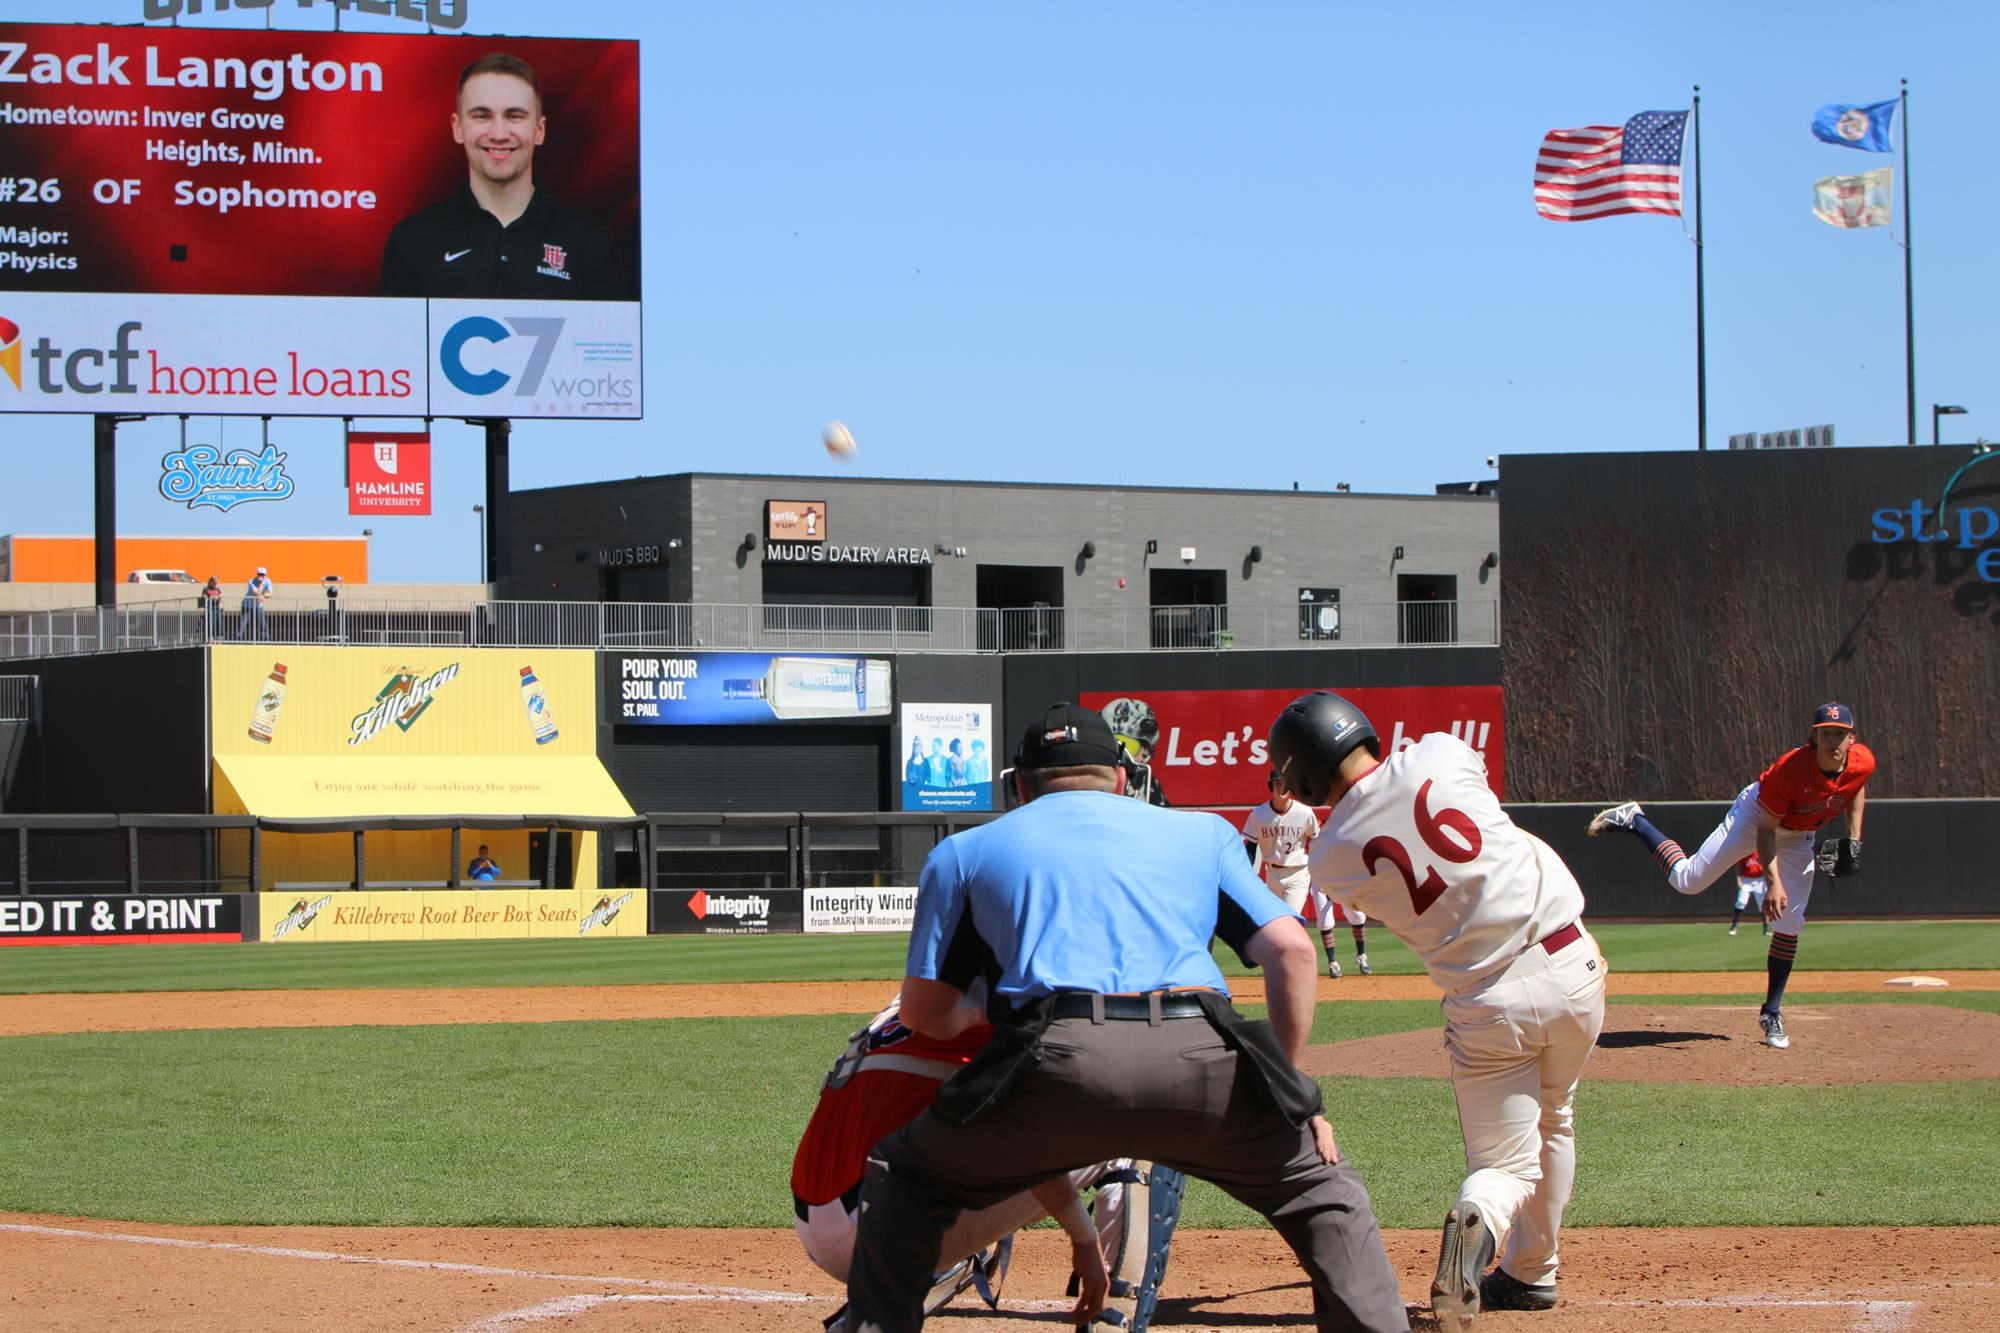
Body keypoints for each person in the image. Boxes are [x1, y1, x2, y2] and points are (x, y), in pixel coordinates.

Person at [843, 703, 1408, 1333]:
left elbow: (925, 1013)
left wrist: (984, 1005)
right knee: (1324, 1193)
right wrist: (1288, 1093)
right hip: (1205, 1057)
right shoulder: (1204, 833)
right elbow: (1294, 952)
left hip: (1051, 1064)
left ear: (1020, 785)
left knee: (905, 1178)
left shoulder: (962, 852)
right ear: (1120, 777)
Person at [1269, 690, 1607, 1330]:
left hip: (1486, 1001)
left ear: (1302, 775)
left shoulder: (1331, 858)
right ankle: (1533, 1272)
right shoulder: (1440, 753)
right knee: (1556, 1118)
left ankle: (1486, 1215)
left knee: (1502, 1166)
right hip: (1571, 962)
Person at [792, 988, 1170, 1329]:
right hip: (880, 1230)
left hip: (817, 1218)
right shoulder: (1007, 1005)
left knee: (975, 1132)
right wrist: (1083, 1238)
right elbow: (1030, 1141)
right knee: (1134, 1134)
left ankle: (884, 1308)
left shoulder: (915, 1000)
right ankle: (1110, 1317)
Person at [1588, 701, 1872, 1051]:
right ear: (1813, 738)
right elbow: (1766, 831)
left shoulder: (1862, 761)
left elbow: (1855, 787)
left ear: (1852, 738)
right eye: (1826, 733)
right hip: (1756, 817)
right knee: (1688, 881)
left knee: (1791, 921)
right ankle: (1636, 821)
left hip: (1800, 834)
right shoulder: (1791, 771)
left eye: (1840, 734)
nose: (1833, 740)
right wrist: (1773, 883)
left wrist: (1854, 840)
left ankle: (1771, 1012)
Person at [380, 53, 633, 301]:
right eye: (482, 116)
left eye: (514, 116)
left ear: (539, 130)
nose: (499, 134)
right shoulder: (413, 240)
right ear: (457, 128)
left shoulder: (591, 244)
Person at [1730, 855, 1769, 936]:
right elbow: (1739, 867)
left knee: (1762, 905)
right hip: (1747, 880)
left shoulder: (1760, 851)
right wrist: (1739, 879)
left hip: (1760, 880)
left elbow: (1768, 865)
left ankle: (1766, 928)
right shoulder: (1745, 853)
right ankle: (1734, 926)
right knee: (1741, 902)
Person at [238, 567, 272, 641]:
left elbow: (270, 594)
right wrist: (261, 584)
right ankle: (238, 639)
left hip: (258, 606)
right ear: (257, 574)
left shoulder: (268, 581)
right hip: (247, 606)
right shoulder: (251, 581)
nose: (261, 576)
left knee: (263, 624)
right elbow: (257, 593)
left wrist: (264, 596)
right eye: (259, 574)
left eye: (263, 574)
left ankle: (267, 640)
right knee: (242, 624)